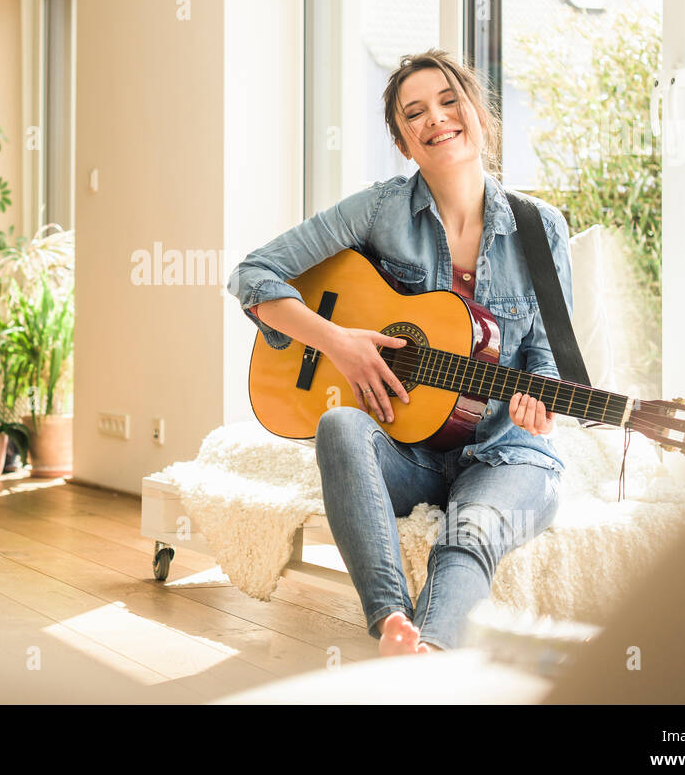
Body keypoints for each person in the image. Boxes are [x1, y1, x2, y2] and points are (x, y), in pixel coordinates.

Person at [226, 49, 574, 655]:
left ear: (479, 115)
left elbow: (547, 359)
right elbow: (255, 274)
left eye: (448, 101)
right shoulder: (382, 208)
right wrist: (339, 343)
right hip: (407, 448)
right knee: (338, 423)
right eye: (414, 114)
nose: (435, 118)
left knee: (468, 536)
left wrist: (538, 402)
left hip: (504, 452)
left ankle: (424, 659)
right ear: (403, 142)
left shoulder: (540, 228)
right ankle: (389, 619)